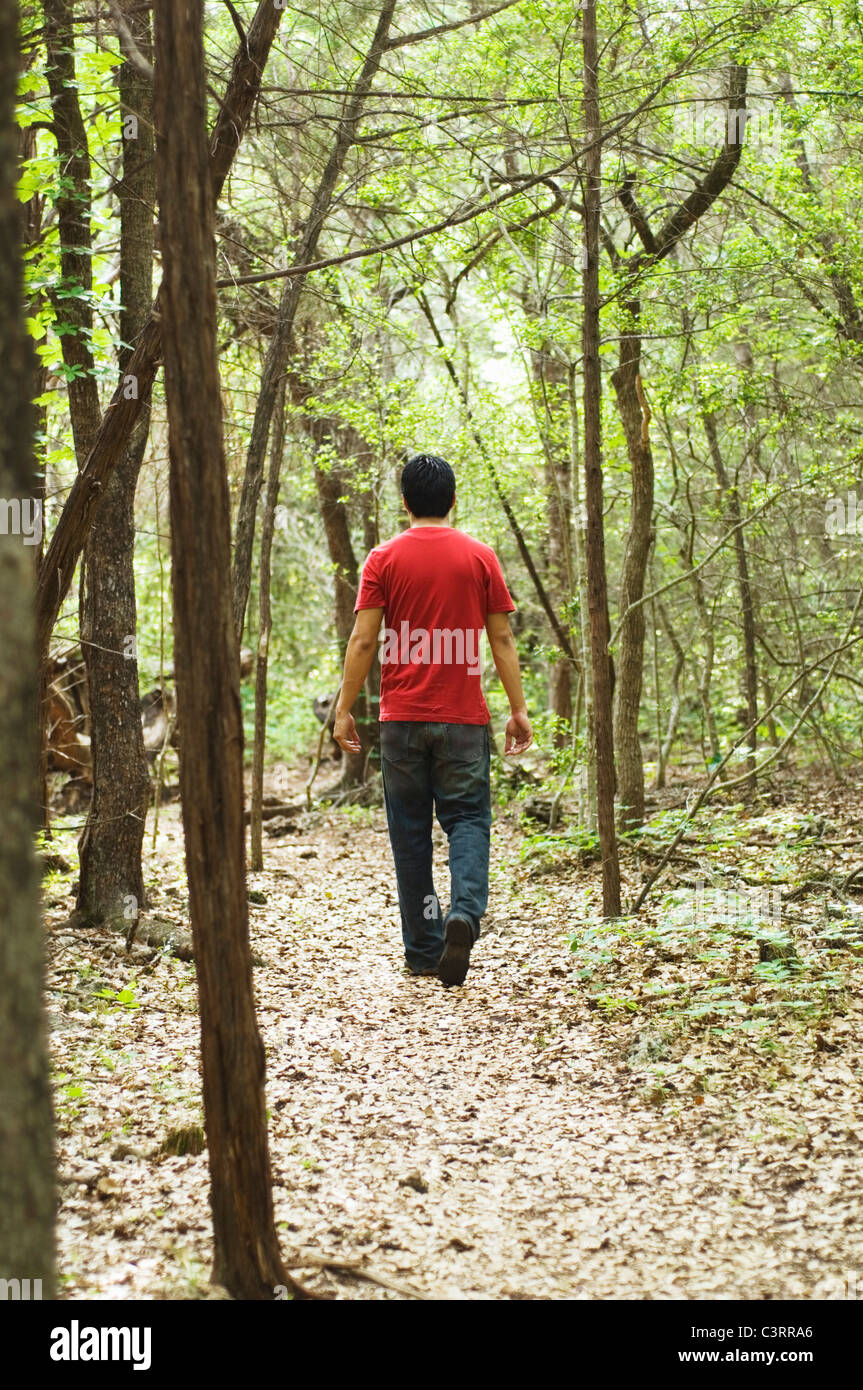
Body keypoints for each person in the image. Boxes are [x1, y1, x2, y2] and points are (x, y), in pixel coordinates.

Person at [333, 453, 533, 986]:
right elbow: (503, 639)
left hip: (400, 721)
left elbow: (364, 639)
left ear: (404, 502)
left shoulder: (383, 559)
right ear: (452, 500)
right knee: (468, 819)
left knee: (411, 835)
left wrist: (345, 706)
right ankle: (464, 913)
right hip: (464, 721)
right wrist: (517, 709)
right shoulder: (480, 557)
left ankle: (424, 949)